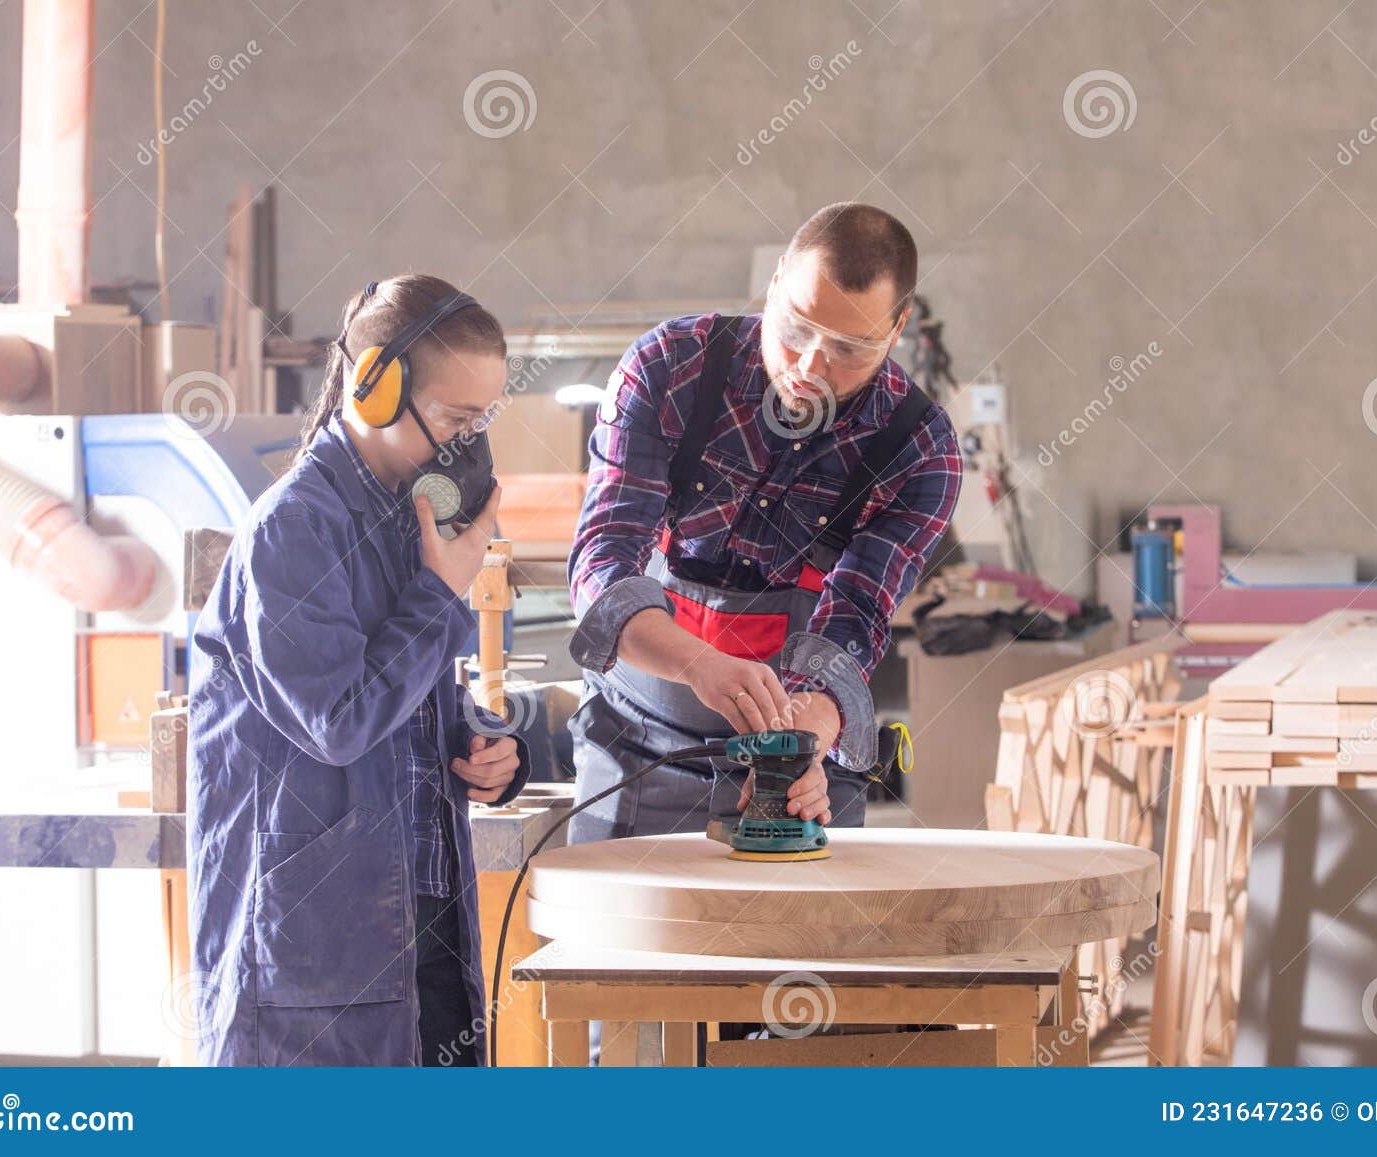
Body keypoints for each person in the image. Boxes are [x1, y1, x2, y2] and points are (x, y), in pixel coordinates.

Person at [188, 274, 529, 1066]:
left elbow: (406, 699)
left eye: (481, 422)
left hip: (423, 914)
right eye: (452, 420)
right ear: (374, 387)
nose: (465, 447)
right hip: (316, 946)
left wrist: (487, 746)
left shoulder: (408, 510)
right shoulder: (293, 531)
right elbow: (338, 721)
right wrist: (444, 588)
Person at [566, 202, 961, 845]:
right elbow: (604, 558)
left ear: (897, 329)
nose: (811, 367)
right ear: (776, 282)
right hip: (636, 747)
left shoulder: (918, 449)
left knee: (798, 941)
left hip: (798, 765)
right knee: (619, 938)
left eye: (850, 348)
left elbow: (856, 619)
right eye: (798, 328)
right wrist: (698, 664)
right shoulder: (671, 367)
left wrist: (806, 733)